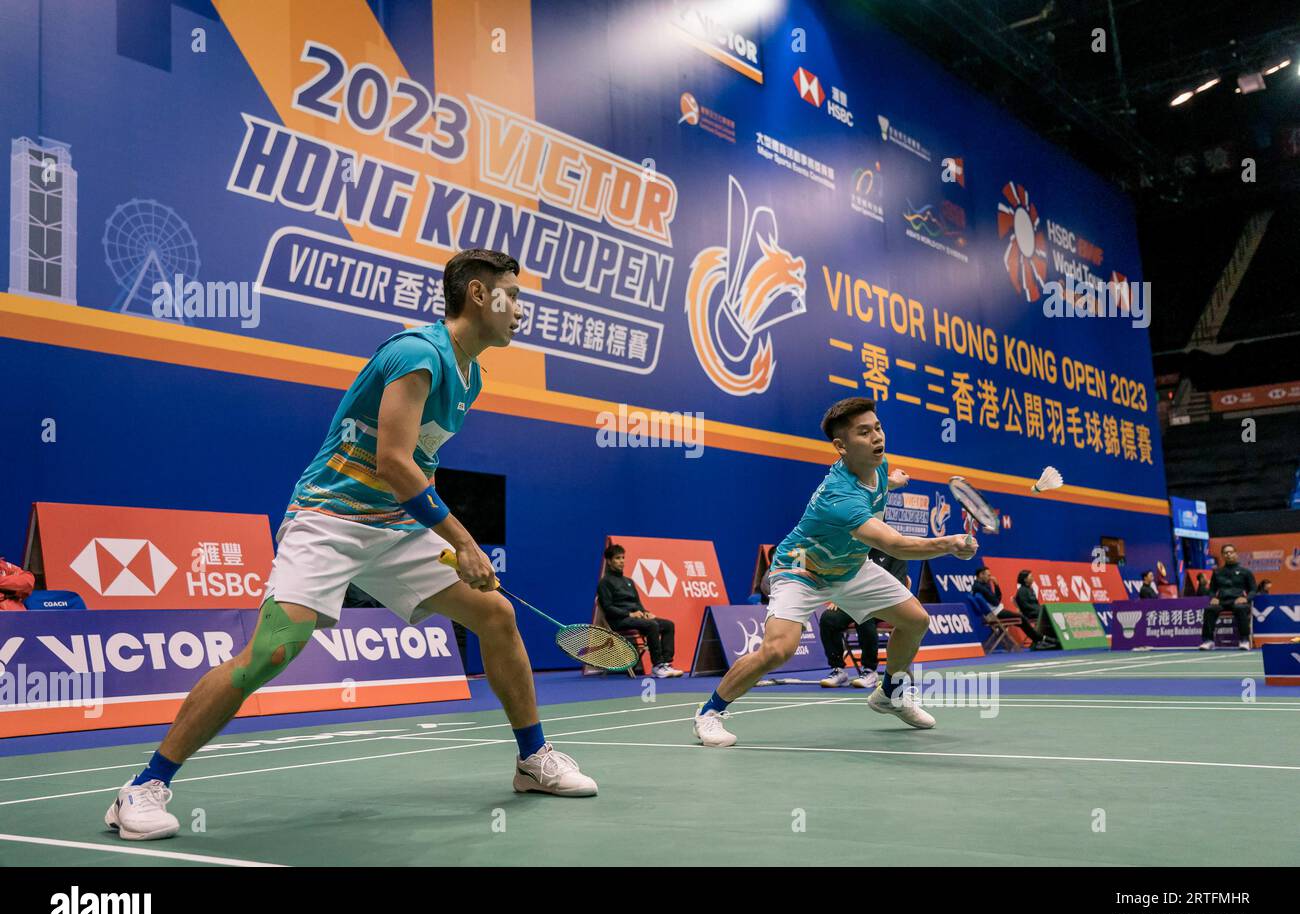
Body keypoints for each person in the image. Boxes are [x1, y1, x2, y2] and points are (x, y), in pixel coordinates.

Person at [106, 249, 598, 843]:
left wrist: (436, 543)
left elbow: (421, 462)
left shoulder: (471, 376)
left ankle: (532, 760)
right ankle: (144, 786)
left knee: (496, 615)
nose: (520, 310)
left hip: (395, 528)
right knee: (272, 652)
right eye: (512, 296)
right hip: (330, 519)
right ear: (476, 295)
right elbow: (391, 461)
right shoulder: (419, 354)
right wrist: (463, 541)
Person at [691, 398, 979, 747]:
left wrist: (897, 480)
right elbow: (895, 545)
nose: (876, 437)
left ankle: (890, 694)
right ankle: (709, 713)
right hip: (801, 568)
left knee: (915, 620)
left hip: (850, 566)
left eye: (878, 428)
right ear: (841, 447)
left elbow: (884, 481)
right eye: (863, 432)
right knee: (778, 650)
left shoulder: (879, 465)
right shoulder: (839, 498)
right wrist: (947, 543)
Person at [819, 550, 909, 689]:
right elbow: (845, 580)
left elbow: (900, 584)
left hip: (882, 604)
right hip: (854, 602)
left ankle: (869, 670)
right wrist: (838, 597)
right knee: (828, 619)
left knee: (864, 617)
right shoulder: (857, 551)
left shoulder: (894, 553)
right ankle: (838, 670)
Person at [597, 543, 683, 678]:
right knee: (652, 625)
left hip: (636, 619)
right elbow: (608, 608)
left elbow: (637, 603)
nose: (622, 561)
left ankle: (666, 663)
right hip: (619, 621)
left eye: (623, 558)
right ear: (609, 561)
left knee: (668, 624)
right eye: (618, 558)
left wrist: (645, 612)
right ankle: (657, 666)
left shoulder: (629, 581)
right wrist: (629, 614)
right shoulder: (605, 582)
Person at [1199, 543, 1256, 651]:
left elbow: (1253, 590)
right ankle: (1208, 641)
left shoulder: (1246, 572)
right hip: (1222, 602)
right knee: (1209, 609)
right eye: (1225, 553)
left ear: (1236, 554)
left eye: (1231, 552)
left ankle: (1244, 640)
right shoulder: (1217, 572)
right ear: (1222, 555)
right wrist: (1213, 598)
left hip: (1238, 602)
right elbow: (1212, 590)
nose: (1228, 554)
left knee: (1240, 609)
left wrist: (1246, 598)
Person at [971, 566, 1042, 647]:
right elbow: (996, 602)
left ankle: (1037, 639)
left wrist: (996, 585)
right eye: (988, 575)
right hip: (996, 614)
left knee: (1021, 620)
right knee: (1021, 618)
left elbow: (998, 598)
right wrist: (995, 593)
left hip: (995, 612)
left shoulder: (983, 585)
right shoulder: (979, 587)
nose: (990, 578)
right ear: (981, 575)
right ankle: (1039, 639)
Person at [1014, 569, 1057, 650]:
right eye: (1031, 576)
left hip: (1036, 611)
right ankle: (1048, 640)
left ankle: (1052, 639)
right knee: (1048, 617)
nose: (1033, 578)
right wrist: (1040, 610)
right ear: (1025, 579)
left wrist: (1041, 609)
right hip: (1030, 613)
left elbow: (1036, 603)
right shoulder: (1022, 591)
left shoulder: (1030, 589)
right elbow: (1025, 606)